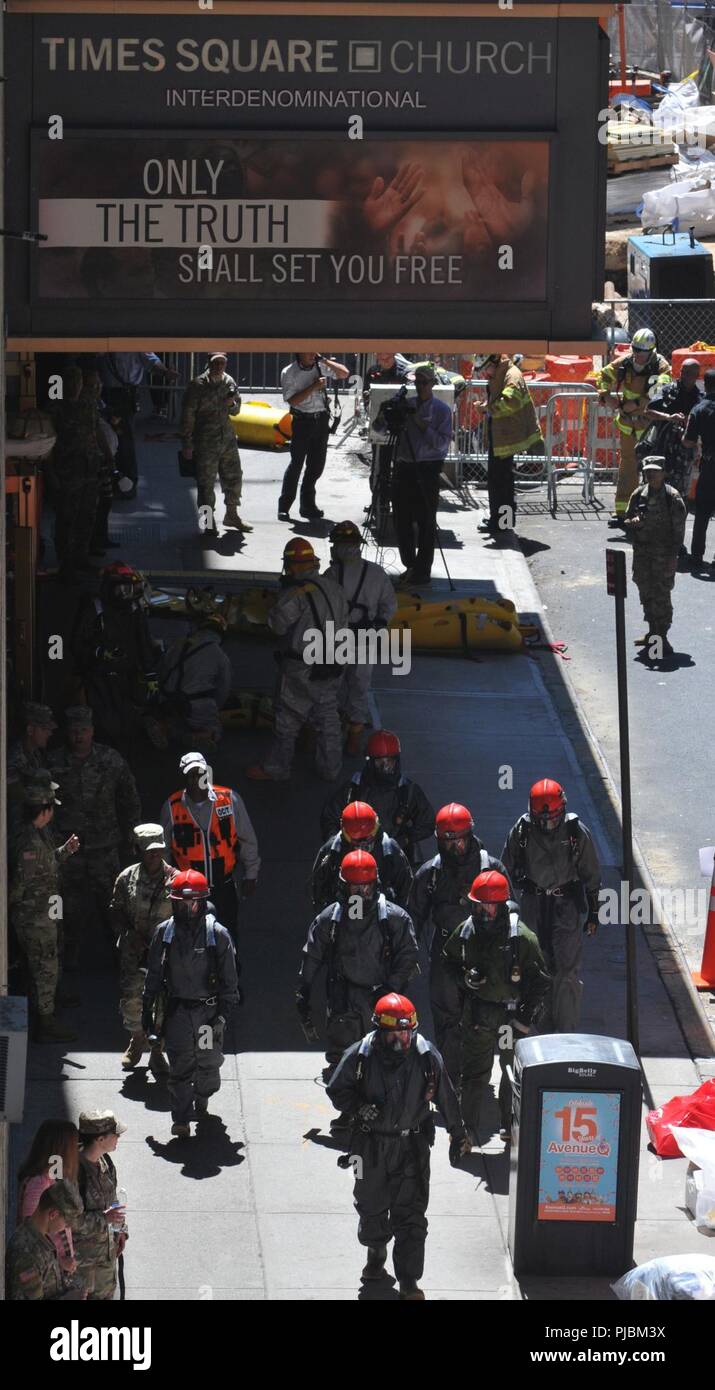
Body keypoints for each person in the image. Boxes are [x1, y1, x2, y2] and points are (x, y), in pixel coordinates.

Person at [326, 993, 470, 1300]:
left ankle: (408, 1280)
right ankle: (376, 1253)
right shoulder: (360, 1055)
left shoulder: (427, 1056)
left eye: (407, 1033)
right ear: (380, 1031)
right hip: (369, 1147)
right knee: (370, 1207)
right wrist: (358, 1106)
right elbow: (336, 1088)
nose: (402, 1040)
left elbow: (446, 1096)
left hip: (412, 1147)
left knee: (412, 1215)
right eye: (395, 1033)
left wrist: (459, 1134)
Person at [297, 850, 419, 1100]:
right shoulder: (331, 918)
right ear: (343, 887)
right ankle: (350, 1110)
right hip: (344, 999)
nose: (361, 894)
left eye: (366, 888)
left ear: (375, 885)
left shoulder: (395, 918)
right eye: (355, 888)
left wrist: (391, 987)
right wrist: (303, 991)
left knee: (390, 1055)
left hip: (383, 998)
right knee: (342, 1058)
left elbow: (408, 956)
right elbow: (313, 956)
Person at [442, 870, 550, 1143]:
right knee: (474, 1073)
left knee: (510, 1072)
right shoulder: (467, 931)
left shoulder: (522, 939)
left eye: (488, 906)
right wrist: (464, 978)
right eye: (478, 905)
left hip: (510, 1016)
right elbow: (448, 960)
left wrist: (524, 1019)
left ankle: (509, 1124)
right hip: (478, 1014)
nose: (482, 911)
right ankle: (465, 1130)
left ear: (501, 905)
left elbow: (540, 982)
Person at [410, 803, 510, 1084]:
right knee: (447, 1018)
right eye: (449, 840)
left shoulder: (492, 869)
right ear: (439, 840)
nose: (457, 846)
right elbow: (413, 918)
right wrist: (406, 958)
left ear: (471, 834)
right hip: (446, 953)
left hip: (485, 954)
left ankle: (477, 1079)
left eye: (461, 838)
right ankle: (451, 1080)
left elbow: (510, 914)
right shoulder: (430, 874)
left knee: (484, 1018)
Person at [142, 870, 241, 1138]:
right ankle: (181, 1118)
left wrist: (222, 1016)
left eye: (193, 903)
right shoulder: (164, 934)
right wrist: (147, 1013)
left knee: (208, 1064)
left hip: (208, 1014)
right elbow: (152, 976)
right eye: (181, 903)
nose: (187, 908)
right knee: (180, 1067)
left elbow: (230, 981)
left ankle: (203, 1098)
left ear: (202, 902)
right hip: (178, 1012)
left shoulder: (218, 935)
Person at [246, 538, 349, 783]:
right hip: (335, 661)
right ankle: (331, 768)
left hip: (303, 666)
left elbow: (278, 626)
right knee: (327, 715)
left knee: (288, 718)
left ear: (291, 565)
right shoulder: (335, 589)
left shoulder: (295, 594)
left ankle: (277, 768)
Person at [501, 780, 601, 1032]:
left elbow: (591, 874)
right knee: (537, 967)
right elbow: (504, 872)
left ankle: (566, 1033)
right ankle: (543, 1032)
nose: (547, 825)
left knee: (566, 971)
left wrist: (594, 912)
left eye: (553, 820)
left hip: (565, 907)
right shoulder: (522, 831)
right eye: (542, 820)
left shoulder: (576, 833)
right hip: (534, 905)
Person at [49, 706, 142, 959]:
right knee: (68, 904)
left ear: (92, 731)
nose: (79, 736)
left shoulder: (111, 760)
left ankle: (121, 953)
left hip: (104, 845)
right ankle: (69, 955)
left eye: (84, 730)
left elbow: (128, 799)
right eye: (74, 731)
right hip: (69, 847)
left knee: (114, 902)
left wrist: (131, 835)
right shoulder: (54, 762)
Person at [8, 774, 81, 1043]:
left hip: (47, 910)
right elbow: (21, 883)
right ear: (45, 810)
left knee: (46, 963)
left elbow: (45, 865)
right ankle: (46, 1022)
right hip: (35, 917)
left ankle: (47, 1009)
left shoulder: (38, 835)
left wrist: (64, 851)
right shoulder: (30, 842)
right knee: (44, 966)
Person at [160, 751, 259, 946]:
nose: (196, 779)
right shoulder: (172, 807)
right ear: (184, 778)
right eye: (191, 775)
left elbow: (247, 839)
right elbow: (163, 850)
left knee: (228, 934)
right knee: (191, 935)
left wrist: (251, 874)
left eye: (200, 773)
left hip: (224, 884)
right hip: (189, 888)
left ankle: (231, 972)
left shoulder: (229, 799)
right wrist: (168, 880)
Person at [324, 519, 397, 753]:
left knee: (329, 686)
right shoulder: (377, 573)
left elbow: (320, 609)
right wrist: (378, 626)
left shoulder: (330, 574)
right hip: (366, 640)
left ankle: (328, 735)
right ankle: (354, 737)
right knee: (359, 687)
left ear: (336, 546)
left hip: (335, 640)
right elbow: (389, 606)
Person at [71, 561, 158, 754]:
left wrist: (150, 674)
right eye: (123, 589)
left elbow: (144, 642)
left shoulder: (134, 610)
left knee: (128, 720)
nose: (127, 594)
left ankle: (123, 756)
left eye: (130, 589)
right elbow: (77, 644)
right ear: (110, 588)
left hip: (127, 675)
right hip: (99, 678)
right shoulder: (95, 609)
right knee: (105, 723)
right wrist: (100, 653)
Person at [110, 823, 175, 1075]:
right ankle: (136, 1041)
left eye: (158, 850)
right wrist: (129, 934)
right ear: (138, 849)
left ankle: (157, 1052)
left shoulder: (174, 879)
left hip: (163, 955)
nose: (154, 855)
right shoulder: (126, 879)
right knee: (132, 1001)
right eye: (149, 851)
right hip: (134, 954)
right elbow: (115, 912)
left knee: (163, 1004)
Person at [595, 328, 671, 527]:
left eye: (641, 351)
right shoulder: (625, 363)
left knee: (651, 469)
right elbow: (602, 376)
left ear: (652, 350)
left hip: (649, 426)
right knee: (627, 467)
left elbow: (659, 393)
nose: (637, 354)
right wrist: (606, 396)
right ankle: (623, 512)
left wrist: (636, 404)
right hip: (629, 425)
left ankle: (649, 513)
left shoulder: (661, 367)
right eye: (635, 349)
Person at [320, 729, 435, 860]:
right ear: (370, 762)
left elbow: (428, 822)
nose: (385, 767)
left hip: (394, 856)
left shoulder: (407, 790)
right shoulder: (353, 789)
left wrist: (406, 839)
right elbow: (329, 817)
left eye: (389, 761)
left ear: (396, 761)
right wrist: (343, 843)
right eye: (380, 762)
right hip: (358, 855)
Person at [385, 363, 452, 586]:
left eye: (425, 382)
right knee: (401, 520)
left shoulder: (441, 410)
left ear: (432, 384)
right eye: (418, 382)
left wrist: (420, 423)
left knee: (425, 523)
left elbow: (442, 445)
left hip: (427, 469)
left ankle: (422, 571)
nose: (421, 386)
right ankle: (410, 564)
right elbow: (382, 430)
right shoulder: (408, 405)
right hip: (404, 468)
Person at [472, 352, 542, 541]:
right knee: (496, 481)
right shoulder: (500, 373)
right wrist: (487, 405)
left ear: (494, 361)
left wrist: (486, 408)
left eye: (486, 368)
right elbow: (498, 399)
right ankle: (498, 519)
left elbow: (510, 403)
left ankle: (504, 524)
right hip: (500, 435)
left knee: (502, 483)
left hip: (507, 437)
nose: (485, 373)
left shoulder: (512, 374)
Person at [622, 456, 687, 659]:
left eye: (655, 471)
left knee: (661, 595)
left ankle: (661, 639)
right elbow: (626, 518)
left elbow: (679, 532)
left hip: (663, 555)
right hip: (642, 554)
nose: (650, 474)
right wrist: (632, 522)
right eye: (648, 470)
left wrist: (673, 558)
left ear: (664, 472)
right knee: (645, 592)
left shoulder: (672, 497)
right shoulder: (639, 493)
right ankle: (652, 631)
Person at [180, 351, 250, 533]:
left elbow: (237, 410)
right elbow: (188, 416)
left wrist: (231, 404)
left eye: (222, 363)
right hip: (205, 441)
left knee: (234, 477)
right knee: (205, 484)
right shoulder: (198, 385)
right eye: (216, 362)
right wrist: (187, 443)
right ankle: (207, 523)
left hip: (227, 439)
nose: (219, 366)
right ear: (209, 363)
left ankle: (231, 515)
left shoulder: (229, 382)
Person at [278, 350, 349, 520]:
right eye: (308, 352)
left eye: (314, 351)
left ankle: (308, 505)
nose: (312, 354)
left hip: (321, 420)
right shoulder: (289, 372)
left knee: (316, 466)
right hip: (303, 421)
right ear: (299, 353)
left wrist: (324, 360)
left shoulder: (319, 365)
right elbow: (292, 400)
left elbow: (344, 373)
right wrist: (314, 386)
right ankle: (284, 506)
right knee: (296, 464)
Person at [150, 605, 232, 750]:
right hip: (195, 705)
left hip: (167, 700)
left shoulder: (177, 643)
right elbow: (223, 690)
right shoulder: (220, 655)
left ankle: (164, 727)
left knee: (175, 720)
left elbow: (161, 671)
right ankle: (199, 737)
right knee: (215, 729)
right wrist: (215, 709)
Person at [48, 365, 101, 583]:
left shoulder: (88, 402)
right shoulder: (56, 407)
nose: (75, 385)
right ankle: (65, 563)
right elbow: (49, 442)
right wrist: (51, 472)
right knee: (66, 518)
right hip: (68, 470)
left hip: (90, 468)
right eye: (70, 381)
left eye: (78, 380)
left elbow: (95, 429)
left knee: (87, 516)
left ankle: (81, 557)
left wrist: (106, 456)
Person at [100, 351, 176, 499]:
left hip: (123, 396)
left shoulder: (134, 344)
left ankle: (127, 484)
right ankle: (111, 482)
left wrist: (166, 373)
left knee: (124, 441)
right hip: (103, 393)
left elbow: (151, 362)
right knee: (105, 438)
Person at [312, 801, 413, 913]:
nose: (363, 845)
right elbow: (318, 890)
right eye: (356, 840)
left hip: (380, 914)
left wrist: (396, 917)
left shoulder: (389, 850)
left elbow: (407, 889)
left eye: (368, 838)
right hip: (344, 914)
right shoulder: (333, 851)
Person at [74, 1110, 127, 1300]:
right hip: (81, 1264)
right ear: (100, 1139)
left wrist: (120, 1230)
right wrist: (104, 1218)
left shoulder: (105, 1161)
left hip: (106, 1256)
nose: (118, 1137)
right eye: (115, 1134)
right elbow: (67, 1220)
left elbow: (112, 1200)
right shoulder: (74, 1173)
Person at [17, 1121, 81, 1276]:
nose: (76, 1150)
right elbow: (29, 1236)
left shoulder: (54, 1175)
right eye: (74, 1145)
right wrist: (59, 1261)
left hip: (58, 1268)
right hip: (46, 1272)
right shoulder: (38, 1184)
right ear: (62, 1149)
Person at [6, 1181, 85, 1301]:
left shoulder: (40, 1239)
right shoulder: (27, 1252)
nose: (66, 1227)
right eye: (67, 1223)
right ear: (53, 1214)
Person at [644, 356, 701, 503]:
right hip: (663, 448)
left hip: (684, 452)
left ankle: (676, 523)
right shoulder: (667, 390)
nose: (685, 376)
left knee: (680, 496)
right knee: (654, 491)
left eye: (690, 373)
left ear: (696, 376)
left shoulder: (699, 398)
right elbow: (648, 411)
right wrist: (669, 417)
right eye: (683, 371)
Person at [364, 351, 411, 495]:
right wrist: (367, 398)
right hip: (379, 424)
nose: (384, 360)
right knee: (379, 466)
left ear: (394, 356)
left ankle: (397, 501)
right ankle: (377, 500)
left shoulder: (404, 373)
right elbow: (365, 396)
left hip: (399, 426)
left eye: (388, 357)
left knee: (400, 466)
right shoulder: (372, 372)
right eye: (381, 357)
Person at [682, 368, 715, 571]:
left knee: (702, 512)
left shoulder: (699, 409)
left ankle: (696, 556)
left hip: (710, 466)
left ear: (706, 384)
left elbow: (688, 441)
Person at [7, 702, 57, 834]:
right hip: (19, 832)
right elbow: (17, 797)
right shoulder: (14, 759)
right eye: (44, 729)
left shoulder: (36, 755)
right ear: (30, 730)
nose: (49, 733)